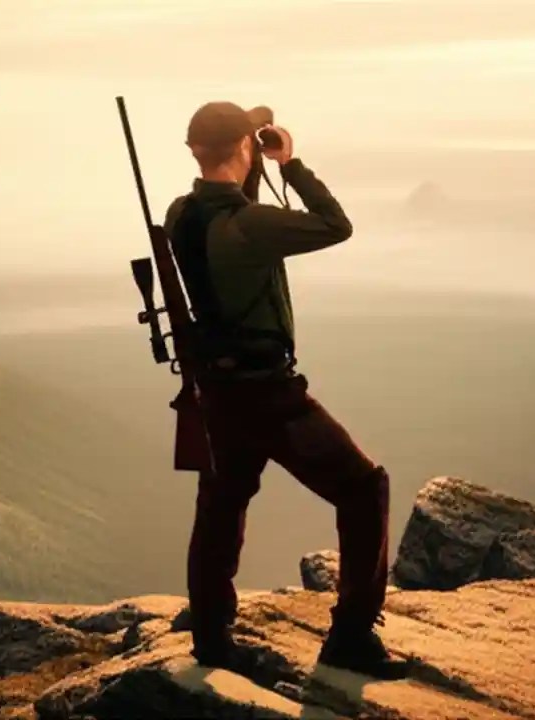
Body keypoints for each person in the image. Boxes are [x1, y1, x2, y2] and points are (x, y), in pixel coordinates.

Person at [163, 101, 401, 678]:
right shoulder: (252, 225)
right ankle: (350, 637)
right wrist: (289, 165)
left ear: (194, 150)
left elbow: (228, 217)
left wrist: (246, 160)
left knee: (220, 508)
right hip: (270, 395)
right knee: (364, 487)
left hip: (217, 392)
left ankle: (212, 639)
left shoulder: (180, 215)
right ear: (244, 148)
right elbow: (335, 224)